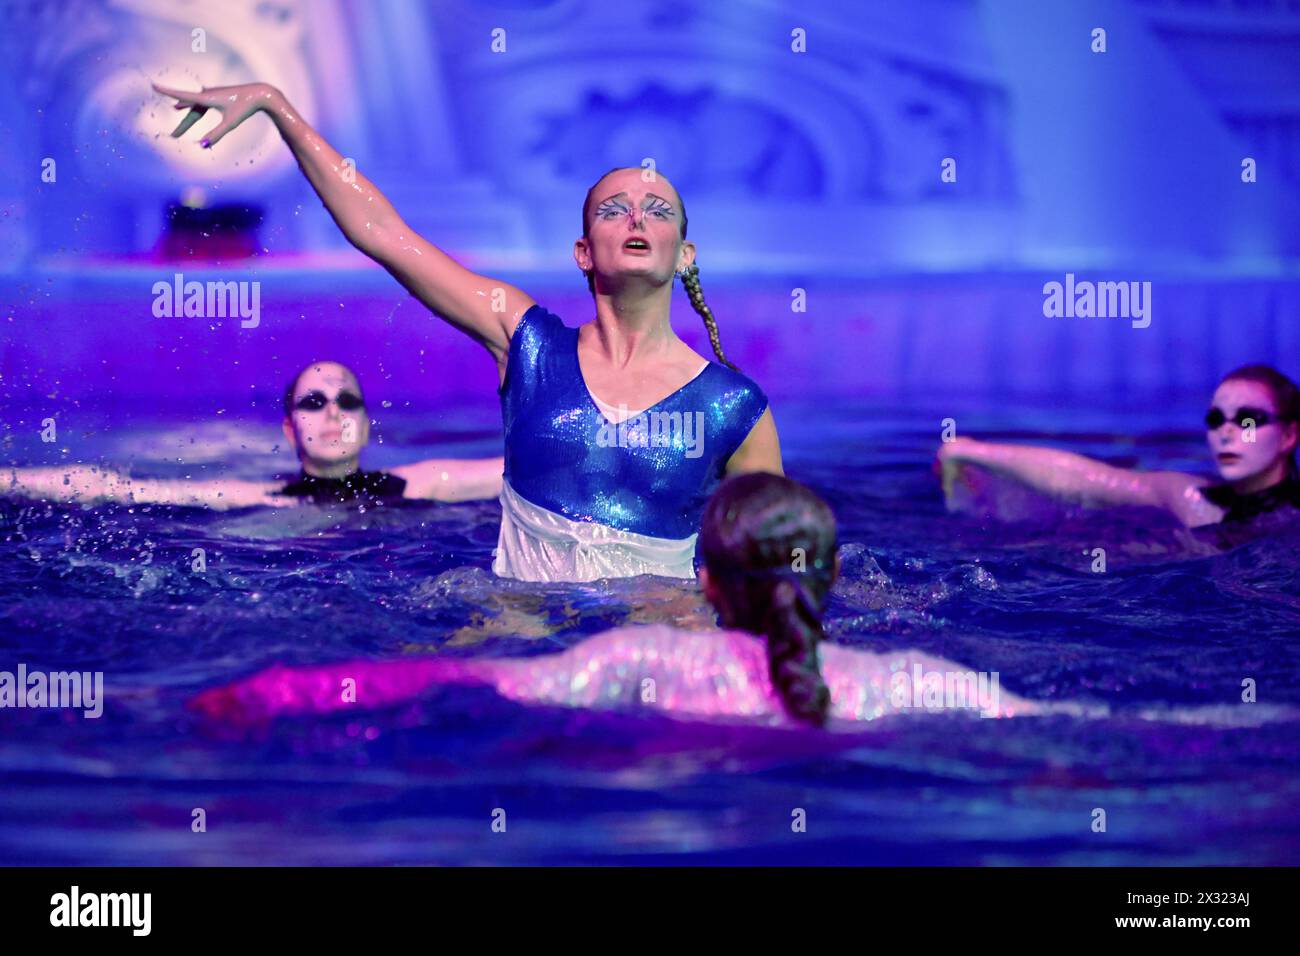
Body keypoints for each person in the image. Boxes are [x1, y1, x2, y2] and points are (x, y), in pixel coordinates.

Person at [150, 82, 781, 580]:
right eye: (613, 211)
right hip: (521, 631)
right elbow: (385, 235)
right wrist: (276, 106)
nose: (637, 215)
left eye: (657, 210)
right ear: (584, 252)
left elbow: (776, 567)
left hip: (653, 641)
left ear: (685, 254)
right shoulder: (525, 340)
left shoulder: (734, 408)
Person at [190, 473, 1034, 728]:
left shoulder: (647, 658)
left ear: (705, 580)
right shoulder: (915, 680)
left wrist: (263, 692)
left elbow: (464, 684)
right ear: (832, 575)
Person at [2, 360, 502, 509]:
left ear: (367, 423)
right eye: (313, 402)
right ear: (290, 429)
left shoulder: (420, 485)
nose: (332, 412)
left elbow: (525, 471)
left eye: (347, 401)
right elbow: (116, 487)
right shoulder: (262, 498)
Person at [936, 364, 1300, 527]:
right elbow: (1090, 480)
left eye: (1248, 421)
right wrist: (972, 451)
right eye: (1216, 420)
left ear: (1288, 435)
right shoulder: (1195, 500)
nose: (1227, 433)